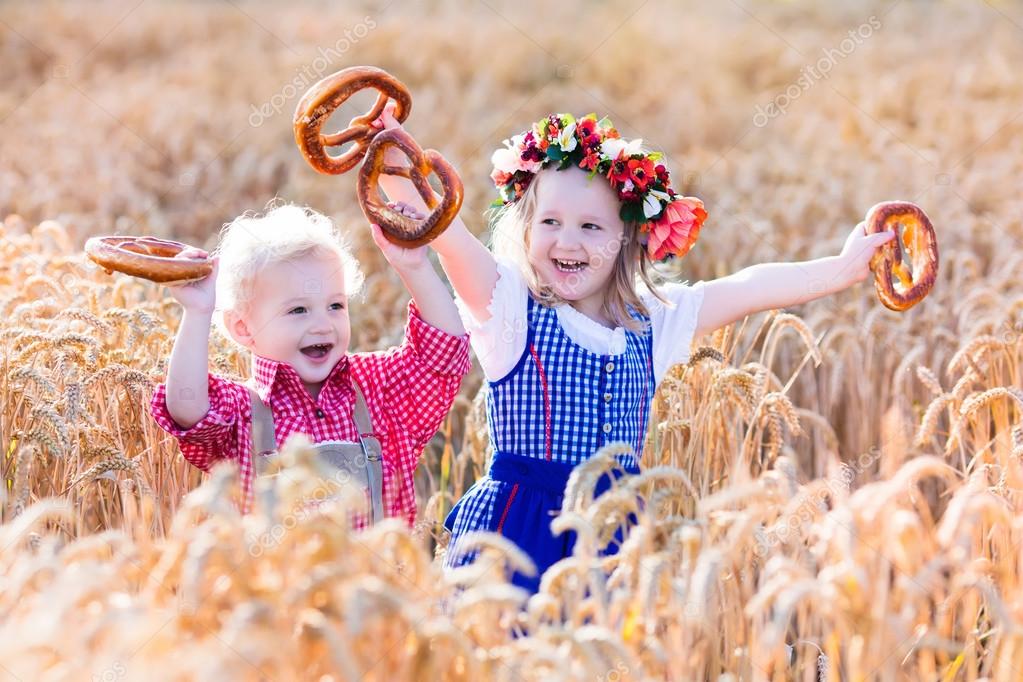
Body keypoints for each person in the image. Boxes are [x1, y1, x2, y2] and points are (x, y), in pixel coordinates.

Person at [373, 110, 895, 591]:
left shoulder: (651, 324)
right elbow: (447, 232)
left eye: (591, 227)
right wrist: (390, 158)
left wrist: (839, 270)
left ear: (627, 238)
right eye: (550, 222)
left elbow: (748, 287)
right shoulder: (510, 311)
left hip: (616, 540)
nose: (568, 242)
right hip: (515, 538)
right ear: (526, 229)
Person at [149, 200, 470, 525]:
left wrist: (414, 266)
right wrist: (198, 311)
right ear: (243, 328)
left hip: (378, 575)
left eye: (335, 305)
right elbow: (187, 408)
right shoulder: (244, 413)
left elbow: (441, 355)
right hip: (277, 577)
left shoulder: (377, 391)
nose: (322, 324)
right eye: (298, 310)